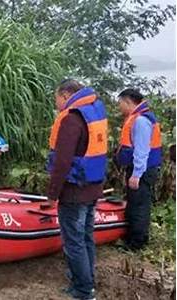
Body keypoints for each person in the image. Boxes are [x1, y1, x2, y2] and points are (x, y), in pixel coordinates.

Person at [45, 79, 108, 300]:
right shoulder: (93, 112)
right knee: (86, 237)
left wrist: (53, 194)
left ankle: (83, 290)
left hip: (74, 192)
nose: (57, 103)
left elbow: (62, 162)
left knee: (74, 242)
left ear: (65, 95)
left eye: (56, 98)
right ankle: (87, 280)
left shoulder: (71, 119)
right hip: (93, 188)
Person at [116, 89, 162, 251]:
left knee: (139, 206)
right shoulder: (138, 118)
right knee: (135, 203)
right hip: (141, 170)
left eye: (120, 103)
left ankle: (137, 243)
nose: (119, 107)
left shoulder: (141, 121)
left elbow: (142, 151)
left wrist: (136, 174)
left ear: (128, 102)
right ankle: (133, 238)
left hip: (142, 171)